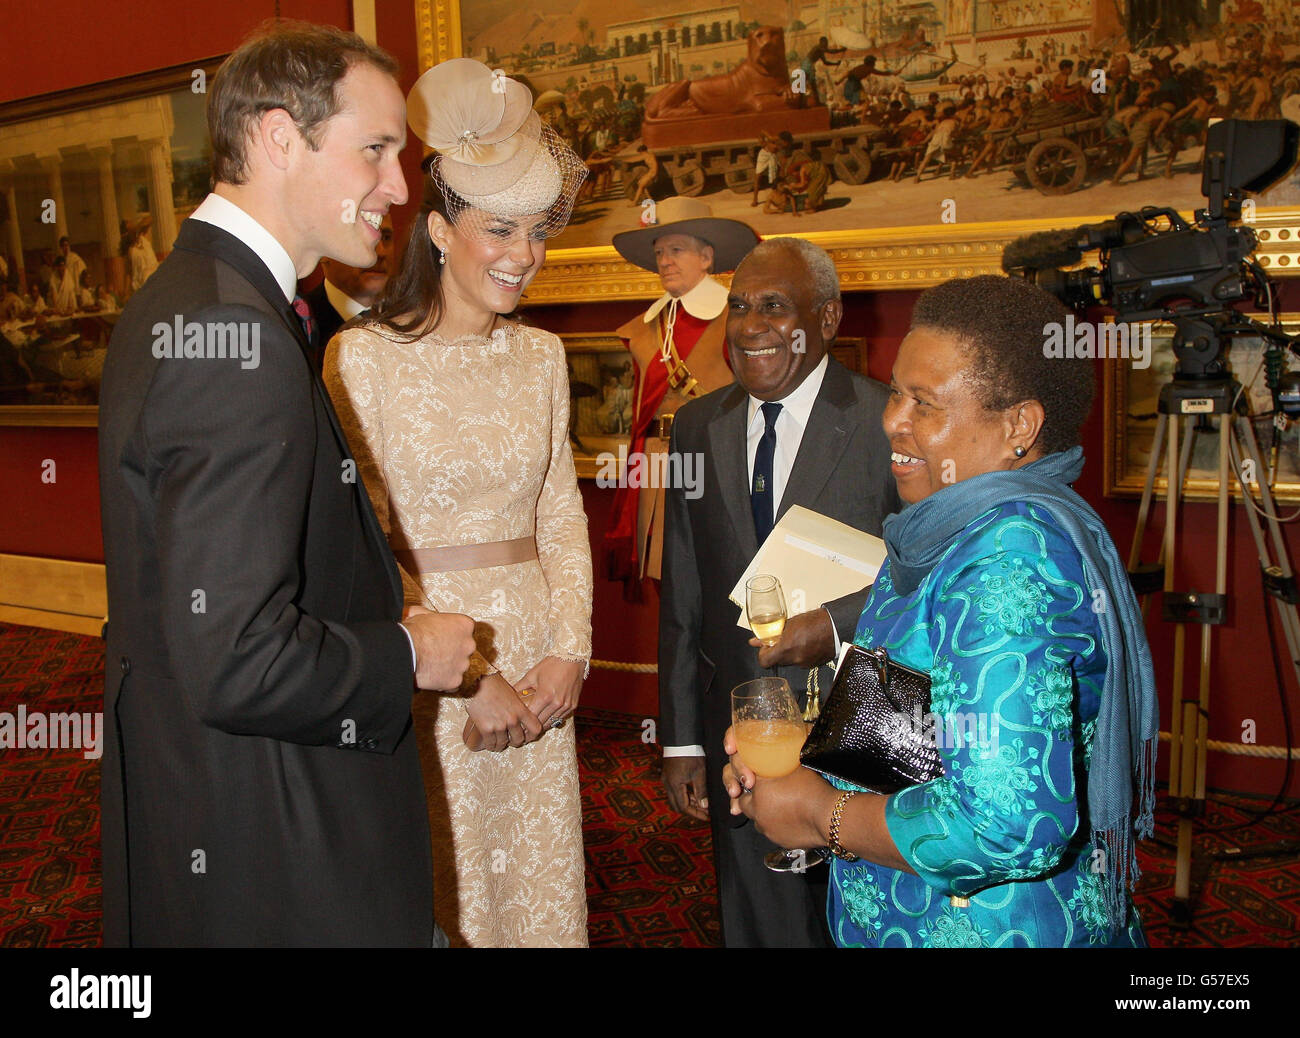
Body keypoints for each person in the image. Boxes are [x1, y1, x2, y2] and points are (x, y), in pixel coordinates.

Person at [97, 20, 478, 948]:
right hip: (277, 848)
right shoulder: (236, 339)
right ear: (277, 137)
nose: (397, 186)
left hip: (215, 816)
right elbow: (236, 657)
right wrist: (407, 654)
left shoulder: (184, 297)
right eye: (377, 150)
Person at [724, 274, 1158, 947]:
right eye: (896, 391)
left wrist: (820, 813)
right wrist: (810, 757)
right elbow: (937, 728)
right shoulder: (952, 531)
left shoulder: (1006, 554)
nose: (893, 419)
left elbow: (1006, 825)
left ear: (1018, 425)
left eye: (924, 403)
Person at [325, 57, 593, 947]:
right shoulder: (360, 362)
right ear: (439, 231)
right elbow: (356, 545)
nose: (523, 257)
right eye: (498, 231)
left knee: (537, 892)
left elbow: (560, 513)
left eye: (536, 235)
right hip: (433, 670)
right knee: (452, 890)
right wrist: (472, 678)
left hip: (539, 658)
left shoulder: (543, 357)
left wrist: (571, 651)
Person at [659, 237, 900, 947]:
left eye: (774, 307)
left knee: (858, 913)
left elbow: (926, 581)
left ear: (825, 320)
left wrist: (829, 623)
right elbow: (684, 588)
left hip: (863, 713)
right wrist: (678, 741)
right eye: (739, 306)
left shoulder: (889, 421)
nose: (751, 325)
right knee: (757, 916)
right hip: (742, 728)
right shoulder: (698, 426)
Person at [606, 197, 758, 584]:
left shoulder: (737, 318)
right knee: (667, 577)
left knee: (715, 572)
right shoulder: (646, 326)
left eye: (677, 250)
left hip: (717, 462)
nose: (665, 261)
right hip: (658, 462)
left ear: (706, 257)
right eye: (659, 252)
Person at [304, 213, 393, 368]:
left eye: (385, 238)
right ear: (323, 252)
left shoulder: (418, 320)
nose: (380, 253)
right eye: (362, 238)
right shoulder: (299, 324)